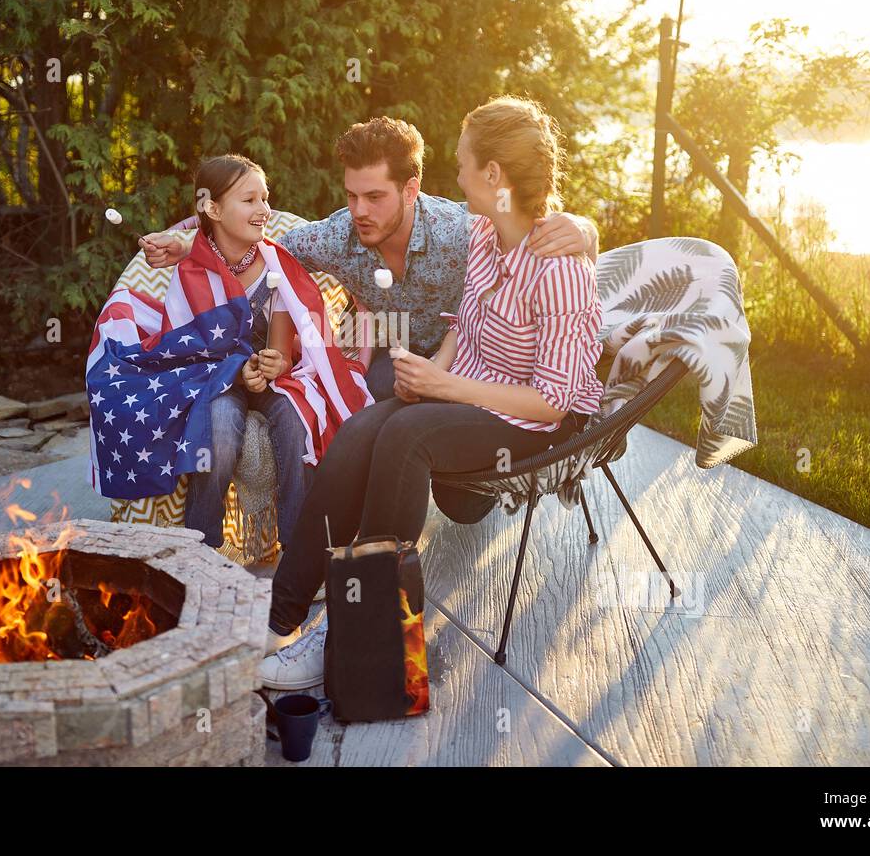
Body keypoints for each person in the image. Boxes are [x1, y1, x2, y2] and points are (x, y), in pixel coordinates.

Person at [258, 97, 606, 690]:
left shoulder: (558, 266)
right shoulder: (487, 239)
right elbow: (463, 325)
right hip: (464, 393)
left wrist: (443, 386)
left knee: (403, 438)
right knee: (365, 426)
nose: (459, 172)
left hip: (524, 419)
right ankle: (280, 616)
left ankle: (353, 631)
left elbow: (556, 401)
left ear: (492, 174)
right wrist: (427, 373)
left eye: (465, 161)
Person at [139, 117, 599, 401]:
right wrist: (186, 244)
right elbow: (265, 246)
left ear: (410, 189)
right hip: (389, 355)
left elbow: (525, 224)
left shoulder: (462, 230)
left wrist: (586, 228)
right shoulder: (338, 235)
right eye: (352, 195)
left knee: (462, 497)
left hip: (466, 363)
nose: (360, 210)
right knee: (375, 399)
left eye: (375, 196)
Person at [168, 154, 317, 551]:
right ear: (213, 208)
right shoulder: (191, 273)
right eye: (249, 200)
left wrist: (274, 362)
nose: (264, 210)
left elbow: (283, 350)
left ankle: (300, 552)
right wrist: (237, 374)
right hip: (217, 380)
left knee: (295, 423)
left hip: (271, 380)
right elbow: (187, 356)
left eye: (265, 198)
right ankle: (200, 546)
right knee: (216, 425)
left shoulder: (276, 265)